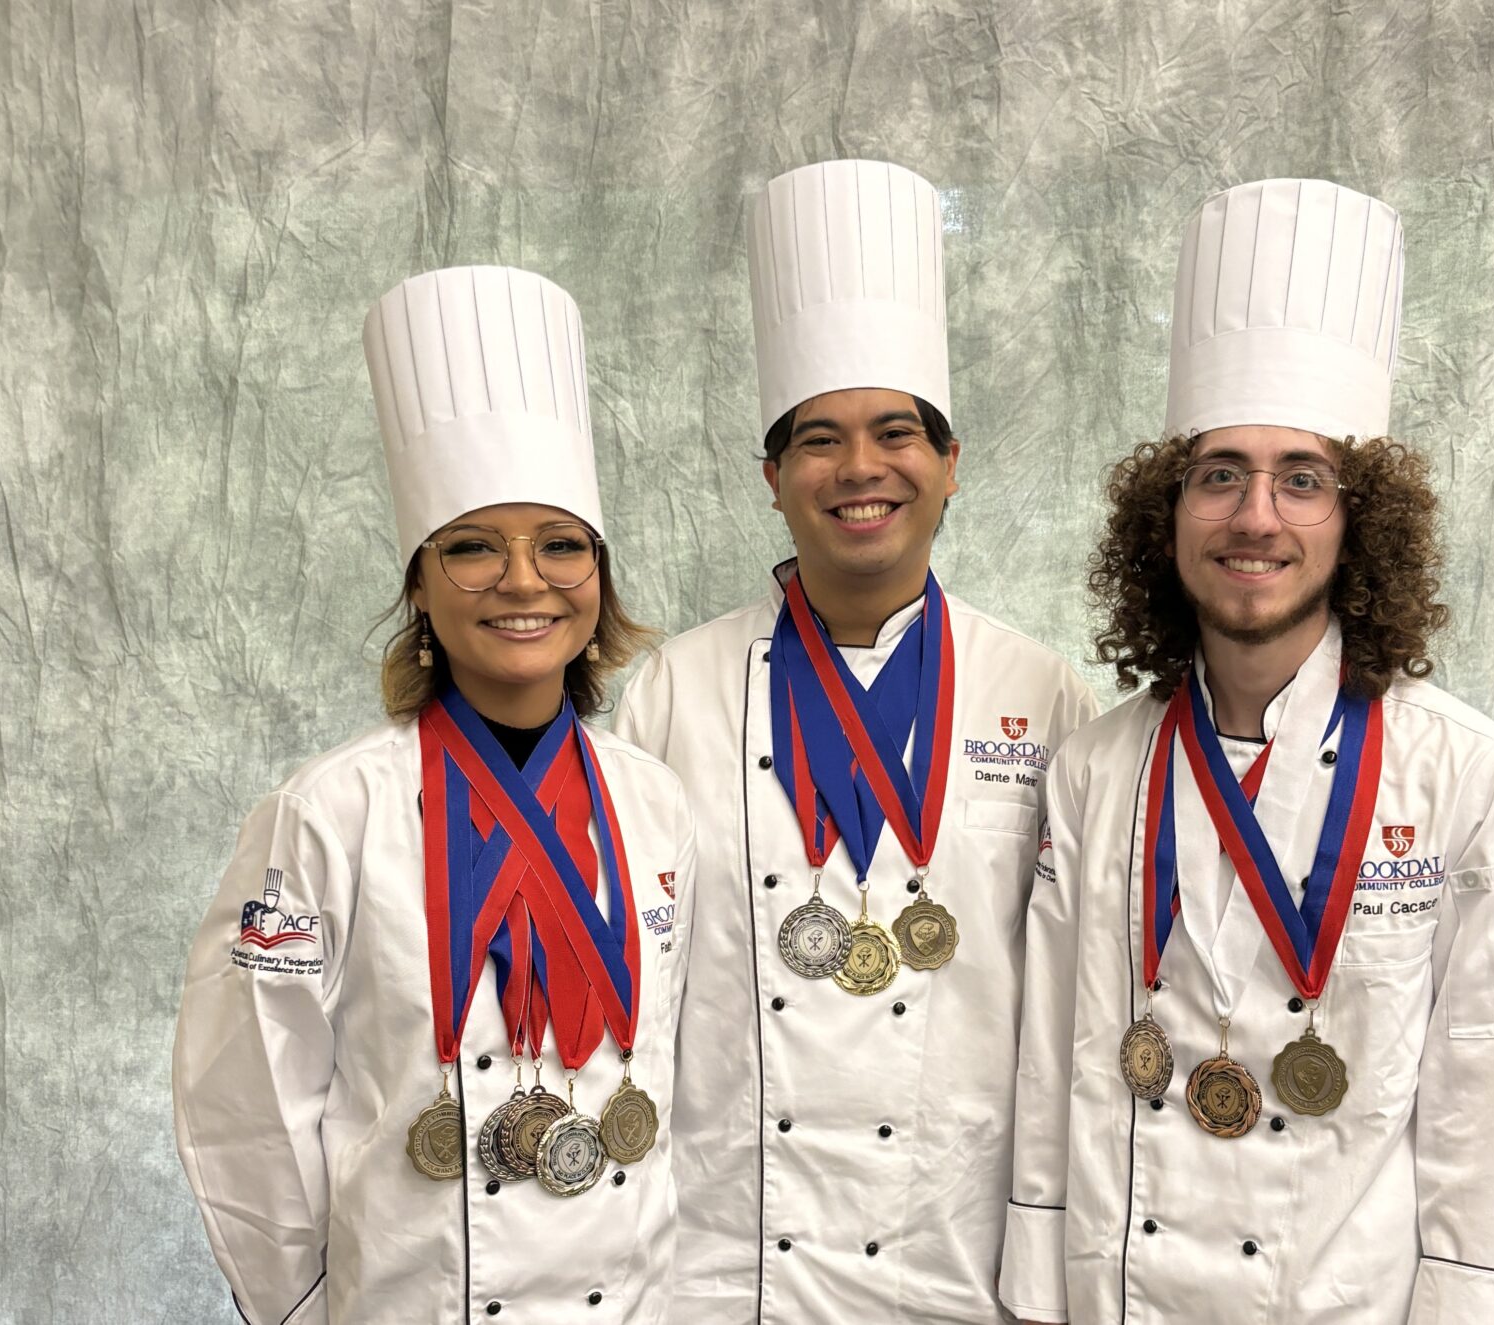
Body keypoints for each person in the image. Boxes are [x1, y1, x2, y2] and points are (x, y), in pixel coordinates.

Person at [1001, 179, 1494, 1324]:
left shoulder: (1466, 776)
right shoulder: (1096, 766)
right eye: (1218, 473)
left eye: (1299, 478)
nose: (1254, 514)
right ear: (1162, 519)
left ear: (1359, 519)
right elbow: (1050, 1067)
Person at [614, 158, 1098, 1323]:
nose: (859, 468)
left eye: (895, 433)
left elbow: (1070, 996)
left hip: (955, 1246)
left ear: (948, 467)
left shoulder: (1045, 692)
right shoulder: (670, 689)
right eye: (819, 440)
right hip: (727, 1263)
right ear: (773, 477)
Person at [174, 266, 698, 1324]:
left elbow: (696, 1078)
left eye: (559, 544)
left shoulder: (655, 803)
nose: (522, 579)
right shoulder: (326, 808)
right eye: (472, 547)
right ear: (418, 581)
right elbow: (246, 1100)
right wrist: (306, 1306)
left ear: (597, 578)